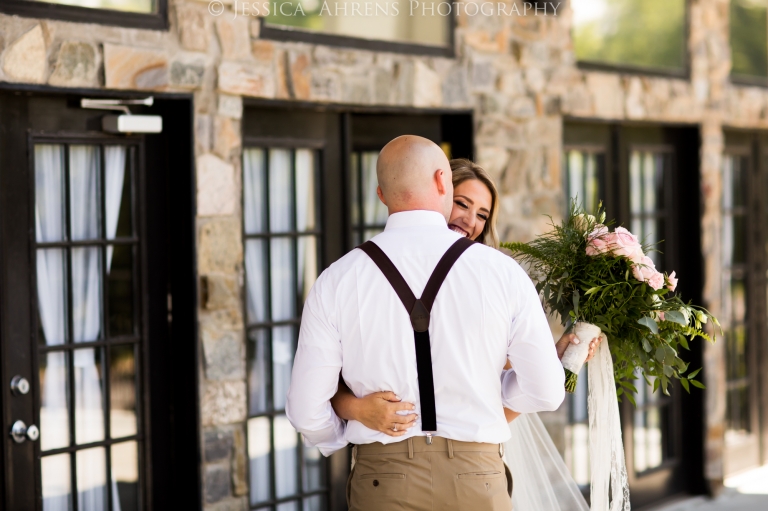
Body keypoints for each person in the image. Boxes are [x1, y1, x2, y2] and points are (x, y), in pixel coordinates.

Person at [286, 136, 574, 511]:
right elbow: (547, 392)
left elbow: (306, 409)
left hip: (382, 480)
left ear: (381, 194)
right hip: (478, 478)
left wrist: (341, 433)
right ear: (443, 181)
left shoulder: (336, 280)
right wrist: (486, 402)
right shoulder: (502, 273)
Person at [330, 158, 602, 435]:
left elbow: (500, 405)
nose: (470, 221)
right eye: (462, 204)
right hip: (396, 449)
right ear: (438, 193)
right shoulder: (367, 275)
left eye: (482, 215)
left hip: (470, 451)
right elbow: (332, 380)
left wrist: (553, 363)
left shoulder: (493, 285)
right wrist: (357, 409)